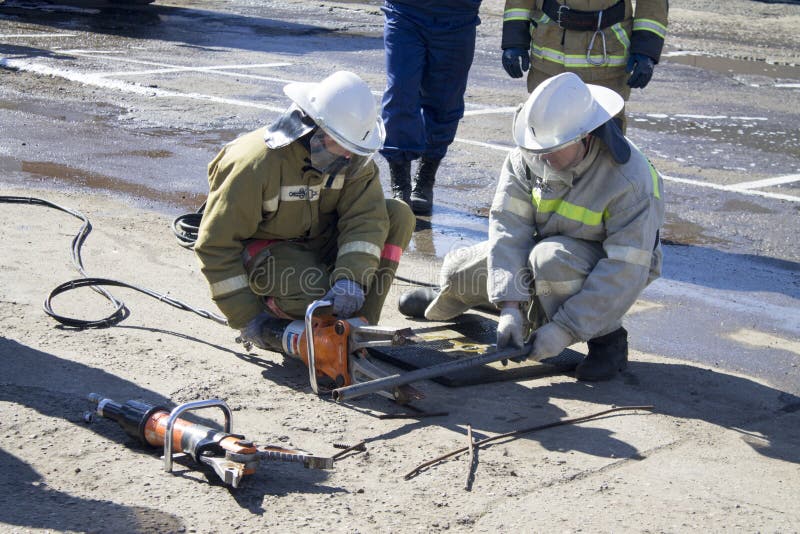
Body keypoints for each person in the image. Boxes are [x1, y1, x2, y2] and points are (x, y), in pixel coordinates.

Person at [398, 72, 665, 381]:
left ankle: (607, 340)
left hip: (601, 264)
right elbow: (509, 230)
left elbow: (624, 269)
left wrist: (564, 331)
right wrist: (509, 305)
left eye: (552, 148)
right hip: (543, 243)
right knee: (461, 271)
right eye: (537, 147)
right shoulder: (529, 154)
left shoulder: (630, 181)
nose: (542, 156)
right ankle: (452, 299)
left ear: (585, 136)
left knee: (549, 260)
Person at [195, 71, 415, 351]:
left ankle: (359, 328)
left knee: (397, 214)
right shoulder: (254, 164)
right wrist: (249, 318)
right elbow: (215, 245)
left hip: (318, 243)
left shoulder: (350, 159)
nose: (350, 157)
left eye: (355, 149)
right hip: (269, 253)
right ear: (314, 132)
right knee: (315, 294)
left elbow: (366, 220)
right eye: (343, 146)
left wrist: (351, 279)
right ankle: (285, 313)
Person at [501, 0, 668, 131]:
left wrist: (646, 50)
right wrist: (514, 40)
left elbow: (652, 3)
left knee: (605, 147)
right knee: (545, 138)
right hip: (550, 57)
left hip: (607, 60)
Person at [381, 0, 483, 215]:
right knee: (400, 93)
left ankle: (425, 178)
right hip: (406, 12)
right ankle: (400, 183)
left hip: (458, 18)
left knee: (445, 102)